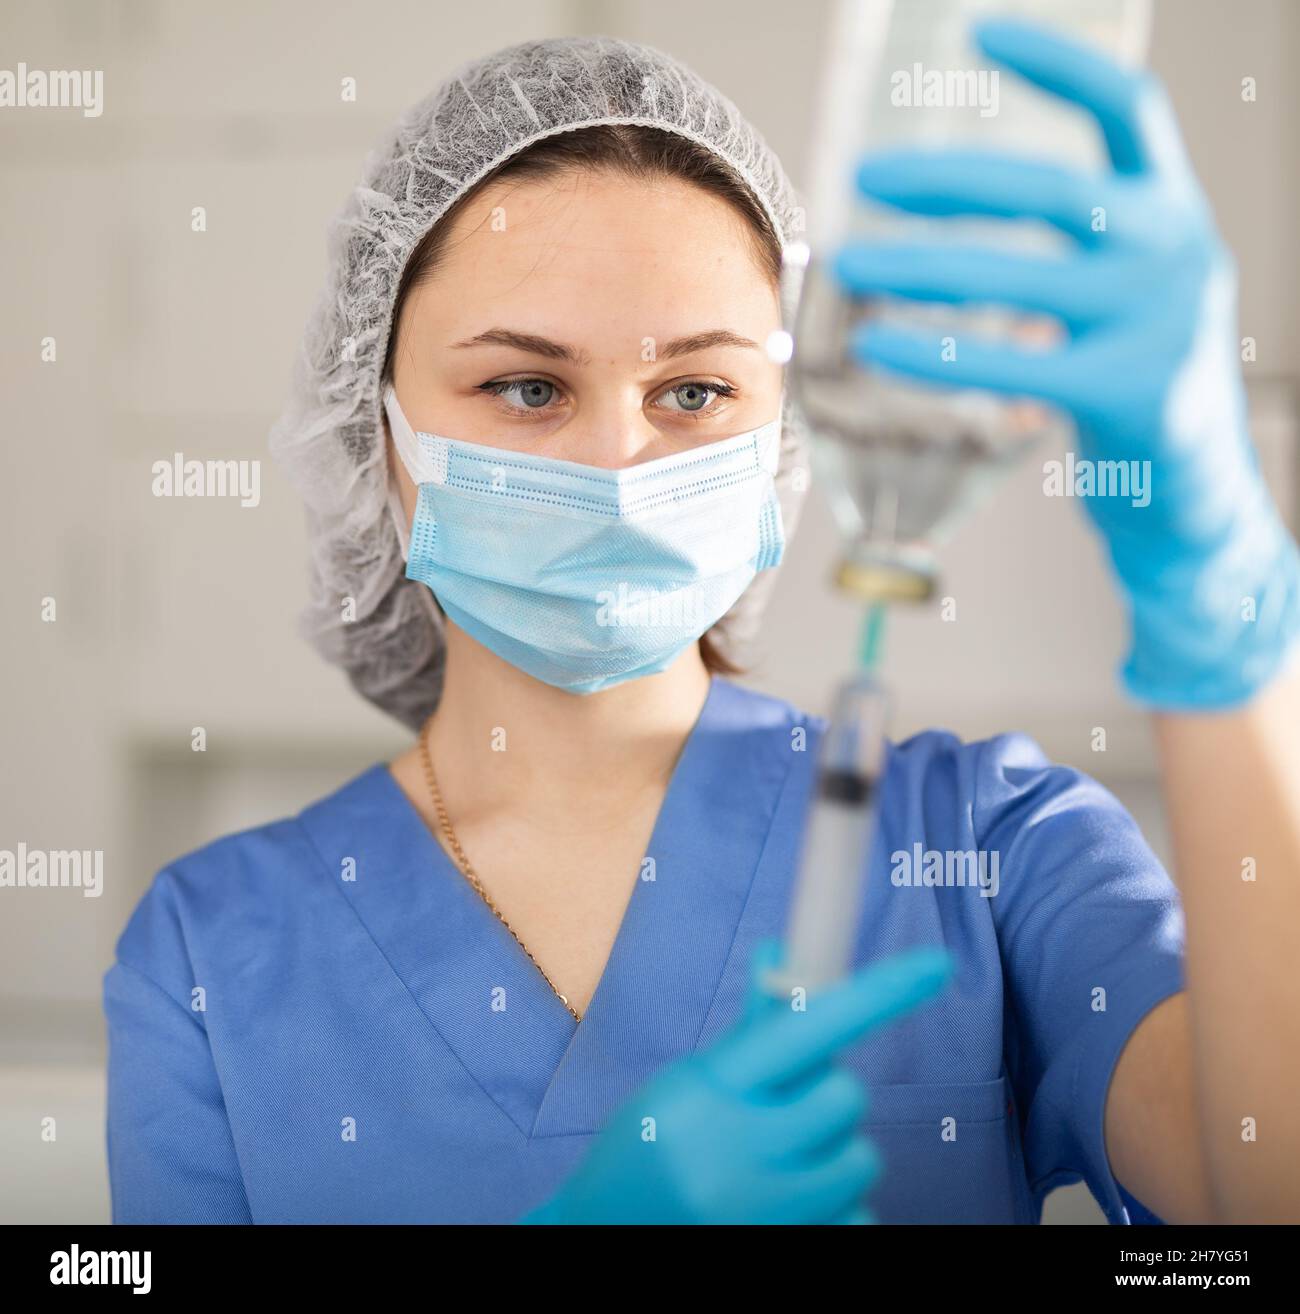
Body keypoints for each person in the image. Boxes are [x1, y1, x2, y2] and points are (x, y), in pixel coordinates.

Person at [103, 21, 1300, 1225]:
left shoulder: (989, 848)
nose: (620, 457)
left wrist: (1215, 596)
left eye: (693, 390)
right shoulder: (214, 955)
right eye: (527, 387)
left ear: (784, 430)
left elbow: (1261, 1185)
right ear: (375, 431)